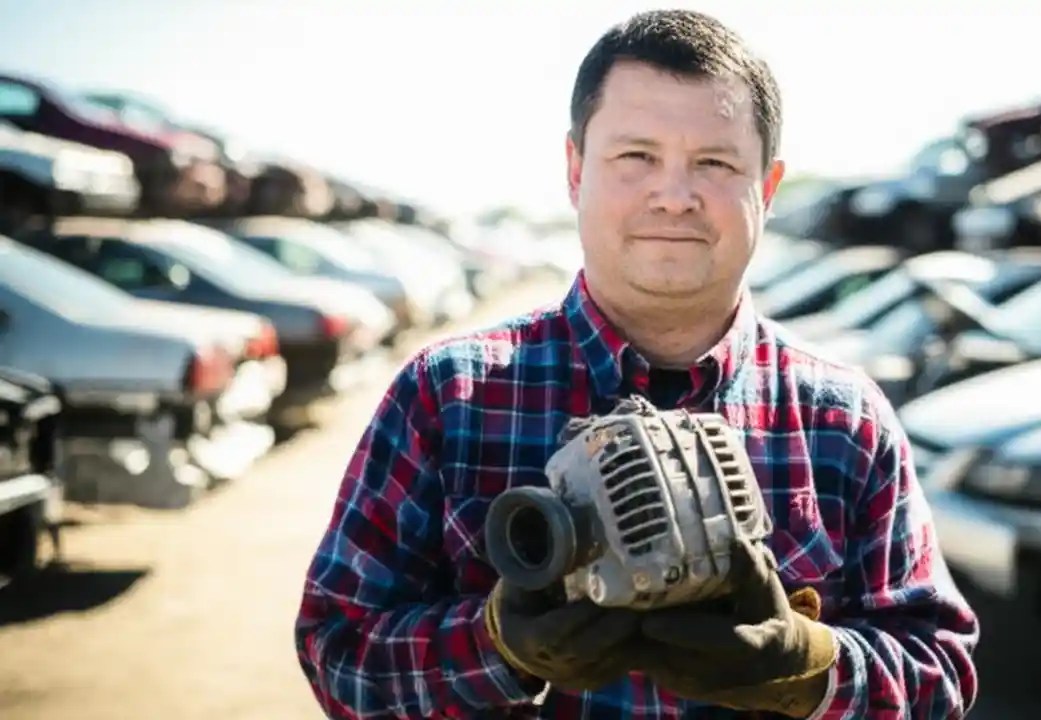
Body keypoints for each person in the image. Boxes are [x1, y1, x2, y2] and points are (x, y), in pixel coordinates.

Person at [295, 9, 979, 719]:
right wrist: (495, 644)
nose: (674, 195)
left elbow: (941, 676)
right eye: (636, 156)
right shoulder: (450, 393)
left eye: (714, 163)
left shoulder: (844, 418)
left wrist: (809, 668)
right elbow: (337, 653)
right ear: (574, 169)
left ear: (767, 189)